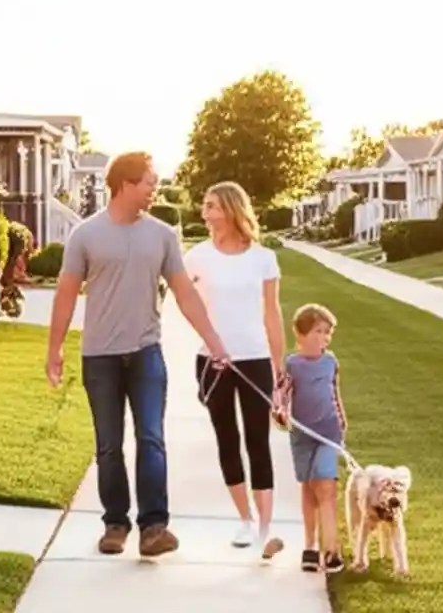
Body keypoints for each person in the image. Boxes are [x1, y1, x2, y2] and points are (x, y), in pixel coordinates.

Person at [44, 151, 229, 558]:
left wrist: (213, 339)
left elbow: (184, 292)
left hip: (146, 353)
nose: (154, 190)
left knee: (151, 438)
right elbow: (66, 293)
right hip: (100, 357)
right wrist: (54, 348)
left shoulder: (162, 235)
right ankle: (115, 524)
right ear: (125, 184)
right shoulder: (86, 235)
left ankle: (153, 528)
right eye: (149, 182)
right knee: (109, 445)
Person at [183, 181, 286, 558]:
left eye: (212, 206)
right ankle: (245, 520)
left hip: (255, 359)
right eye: (205, 205)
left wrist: (279, 368)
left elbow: (272, 314)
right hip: (212, 361)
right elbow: (184, 302)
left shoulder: (263, 258)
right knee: (227, 438)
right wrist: (212, 343)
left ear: (231, 209)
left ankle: (266, 530)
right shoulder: (196, 257)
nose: (205, 213)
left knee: (258, 441)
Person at [276, 303, 346, 573]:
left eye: (328, 333)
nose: (324, 338)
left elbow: (335, 393)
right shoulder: (292, 364)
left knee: (326, 486)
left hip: (328, 433)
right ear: (301, 334)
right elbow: (282, 395)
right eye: (319, 331)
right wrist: (280, 412)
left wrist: (342, 422)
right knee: (308, 488)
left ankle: (332, 550)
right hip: (302, 436)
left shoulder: (331, 362)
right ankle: (310, 547)